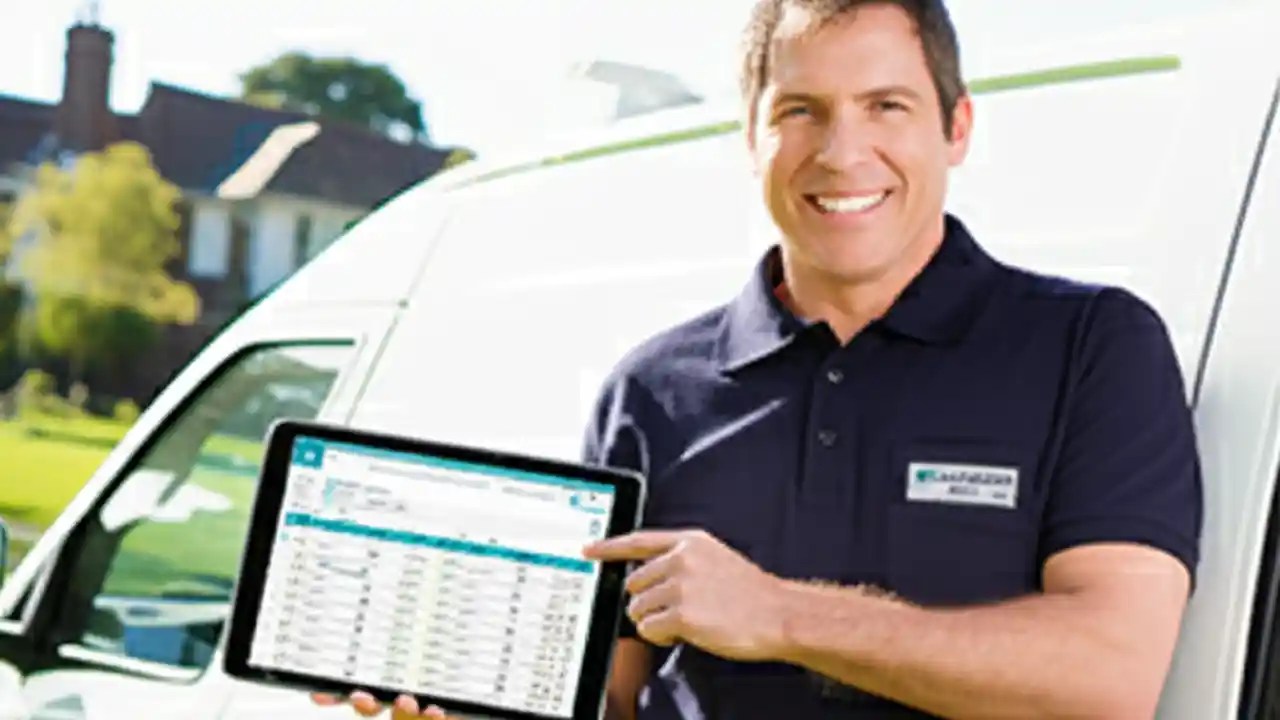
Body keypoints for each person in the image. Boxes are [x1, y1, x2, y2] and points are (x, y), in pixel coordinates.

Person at [316, 0, 1203, 717]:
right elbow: (610, 694)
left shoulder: (1092, 347)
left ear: (956, 128)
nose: (842, 151)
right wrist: (465, 698)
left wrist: (778, 614)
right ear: (750, 138)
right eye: (799, 111)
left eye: (885, 106)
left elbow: (1108, 679)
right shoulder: (653, 390)